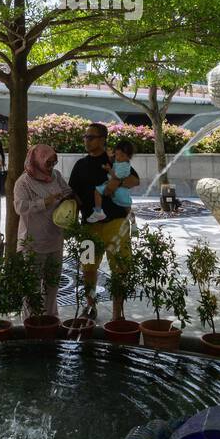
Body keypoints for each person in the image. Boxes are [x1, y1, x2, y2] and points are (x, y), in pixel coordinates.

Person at [69, 123, 140, 320]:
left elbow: (135, 180)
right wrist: (73, 221)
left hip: (116, 223)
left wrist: (115, 183)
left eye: (90, 137)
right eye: (85, 136)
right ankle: (91, 306)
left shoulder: (114, 160)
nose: (86, 140)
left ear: (102, 139)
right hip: (89, 226)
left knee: (120, 269)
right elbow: (73, 194)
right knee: (88, 268)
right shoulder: (80, 165)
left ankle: (118, 314)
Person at [12, 144, 73, 317]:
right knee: (32, 285)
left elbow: (67, 191)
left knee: (52, 284)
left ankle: (50, 318)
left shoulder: (56, 176)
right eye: (48, 163)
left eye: (54, 163)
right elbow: (20, 207)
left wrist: (68, 201)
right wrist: (44, 202)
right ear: (37, 160)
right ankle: (31, 321)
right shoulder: (23, 182)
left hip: (54, 238)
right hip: (33, 241)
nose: (52, 167)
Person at [88, 139, 135, 222]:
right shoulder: (121, 161)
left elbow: (116, 176)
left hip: (120, 191)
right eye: (117, 155)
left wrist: (109, 169)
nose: (118, 158)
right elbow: (114, 162)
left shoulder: (125, 166)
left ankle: (98, 212)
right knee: (127, 208)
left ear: (129, 156)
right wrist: (110, 156)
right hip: (119, 190)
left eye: (122, 156)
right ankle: (134, 224)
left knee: (97, 191)